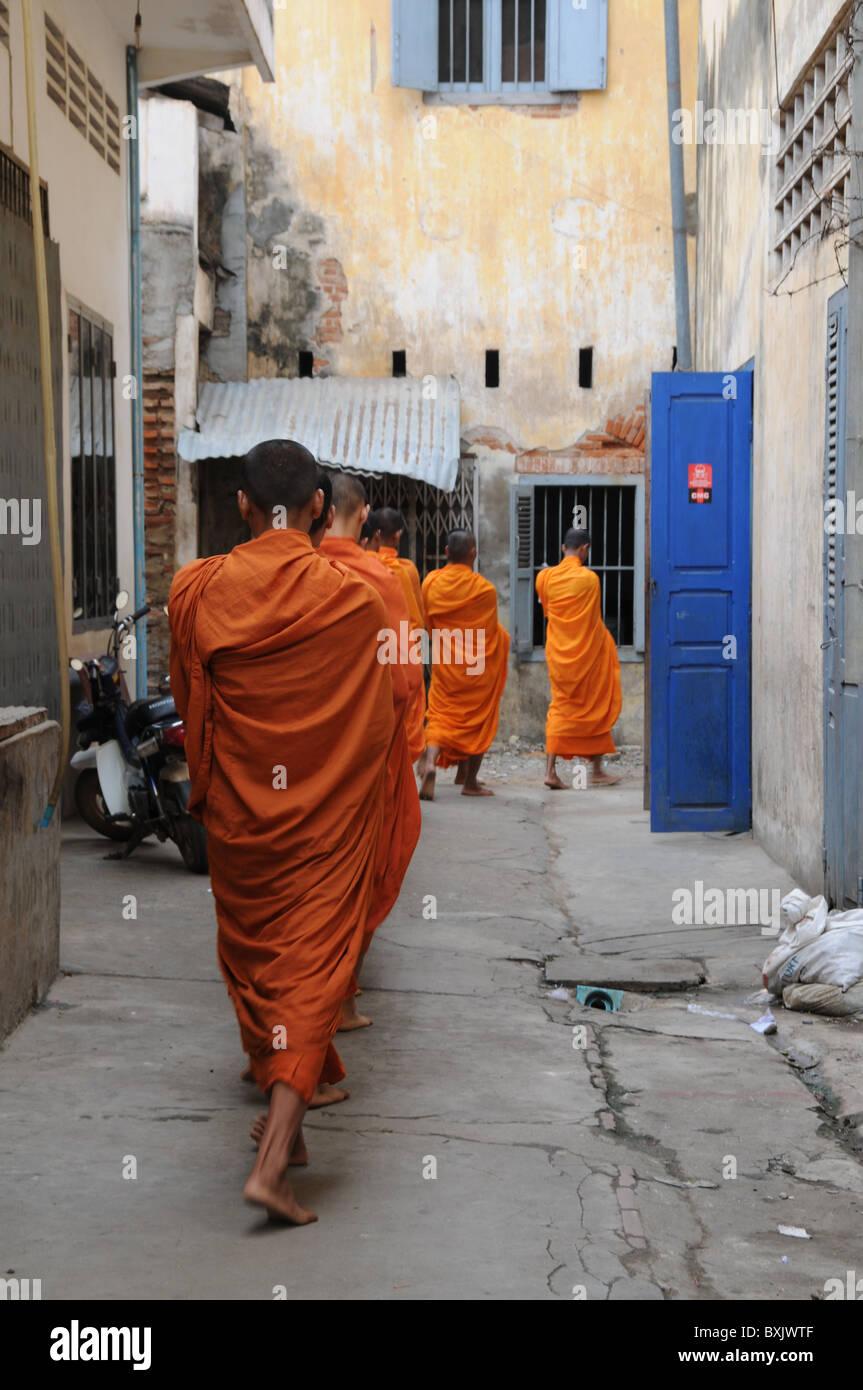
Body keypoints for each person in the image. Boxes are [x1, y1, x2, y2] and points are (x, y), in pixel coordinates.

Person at [169, 439, 393, 1225]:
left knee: (262, 964)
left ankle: (287, 1128)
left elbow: (188, 699)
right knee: (312, 969)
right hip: (323, 825)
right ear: (321, 511)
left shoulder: (196, 592)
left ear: (238, 506)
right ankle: (272, 1164)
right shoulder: (356, 603)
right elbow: (379, 724)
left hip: (237, 823)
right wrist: (346, 795)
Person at [319, 474, 422, 1028]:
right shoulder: (379, 579)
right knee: (362, 871)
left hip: (302, 758)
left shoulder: (302, 574)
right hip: (365, 754)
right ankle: (343, 997)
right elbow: (403, 678)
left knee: (312, 878)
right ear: (363, 518)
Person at [419, 529, 509, 801]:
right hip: (477, 670)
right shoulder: (485, 590)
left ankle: (431, 762)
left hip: (447, 665)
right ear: (474, 553)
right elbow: (491, 634)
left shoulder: (431, 583)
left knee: (440, 715)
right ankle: (469, 781)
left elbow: (430, 625)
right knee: (478, 718)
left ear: (446, 552)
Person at [535, 527, 622, 790]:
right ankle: (595, 769)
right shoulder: (590, 579)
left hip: (559, 655)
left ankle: (551, 771)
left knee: (560, 706)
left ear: (564, 548)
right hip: (588, 656)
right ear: (585, 549)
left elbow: (548, 612)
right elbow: (592, 620)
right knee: (594, 706)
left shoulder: (544, 578)